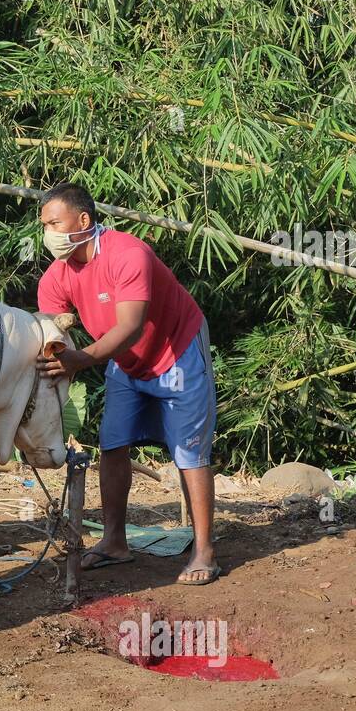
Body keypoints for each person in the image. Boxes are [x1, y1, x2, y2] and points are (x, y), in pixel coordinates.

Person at [34, 181, 221, 585]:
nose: (49, 234)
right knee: (113, 444)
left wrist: (80, 360)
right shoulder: (56, 276)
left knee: (189, 452)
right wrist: (53, 353)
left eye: (55, 222)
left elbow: (132, 328)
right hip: (126, 364)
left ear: (83, 220)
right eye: (44, 225)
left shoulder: (127, 254)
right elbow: (51, 332)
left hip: (177, 352)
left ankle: (204, 550)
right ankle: (115, 542)